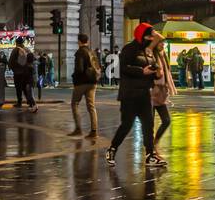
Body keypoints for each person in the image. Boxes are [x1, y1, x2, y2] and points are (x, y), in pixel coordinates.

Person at [107, 23, 165, 166]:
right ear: (140, 35)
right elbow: (124, 68)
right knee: (126, 125)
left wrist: (156, 74)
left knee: (148, 125)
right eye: (148, 36)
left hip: (144, 94)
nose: (151, 39)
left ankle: (150, 155)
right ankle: (112, 149)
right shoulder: (129, 49)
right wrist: (141, 71)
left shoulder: (147, 51)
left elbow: (151, 69)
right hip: (129, 94)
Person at [69, 34, 101, 138]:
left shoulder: (80, 52)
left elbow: (79, 69)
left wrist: (74, 77)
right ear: (87, 41)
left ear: (79, 41)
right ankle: (94, 131)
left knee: (75, 104)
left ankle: (78, 129)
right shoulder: (92, 52)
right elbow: (98, 66)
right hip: (93, 82)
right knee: (91, 106)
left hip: (82, 82)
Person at [149, 31, 177, 148]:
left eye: (163, 43)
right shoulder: (150, 54)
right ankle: (150, 147)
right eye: (160, 42)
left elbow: (166, 73)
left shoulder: (162, 54)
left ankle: (154, 142)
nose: (162, 44)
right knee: (149, 123)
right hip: (151, 92)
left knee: (166, 120)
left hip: (161, 93)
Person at [8, 37, 37, 112]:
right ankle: (29, 101)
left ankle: (19, 101)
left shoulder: (16, 49)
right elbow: (33, 58)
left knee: (18, 87)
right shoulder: (27, 49)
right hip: (26, 72)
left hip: (18, 72)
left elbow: (11, 60)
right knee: (24, 87)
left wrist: (10, 67)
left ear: (17, 43)